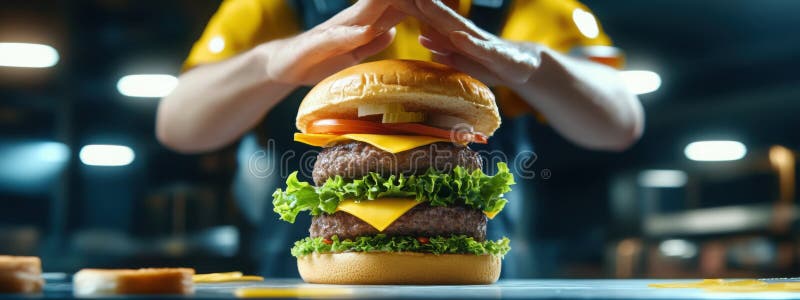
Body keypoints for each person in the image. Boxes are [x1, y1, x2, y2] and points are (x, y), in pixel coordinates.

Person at [156, 0, 644, 277]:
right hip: (308, 279)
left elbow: (619, 122)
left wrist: (532, 63)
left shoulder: (532, 9)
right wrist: (272, 63)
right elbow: (180, 127)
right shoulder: (272, 8)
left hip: (480, 278)